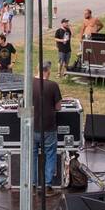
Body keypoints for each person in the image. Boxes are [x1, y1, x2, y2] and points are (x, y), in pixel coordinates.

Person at [32, 61, 62, 195]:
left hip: (32, 126)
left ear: (37, 69)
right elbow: (58, 107)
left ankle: (32, 185)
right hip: (49, 126)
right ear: (48, 71)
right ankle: (47, 186)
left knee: (32, 155)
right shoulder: (53, 85)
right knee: (50, 154)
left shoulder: (29, 83)